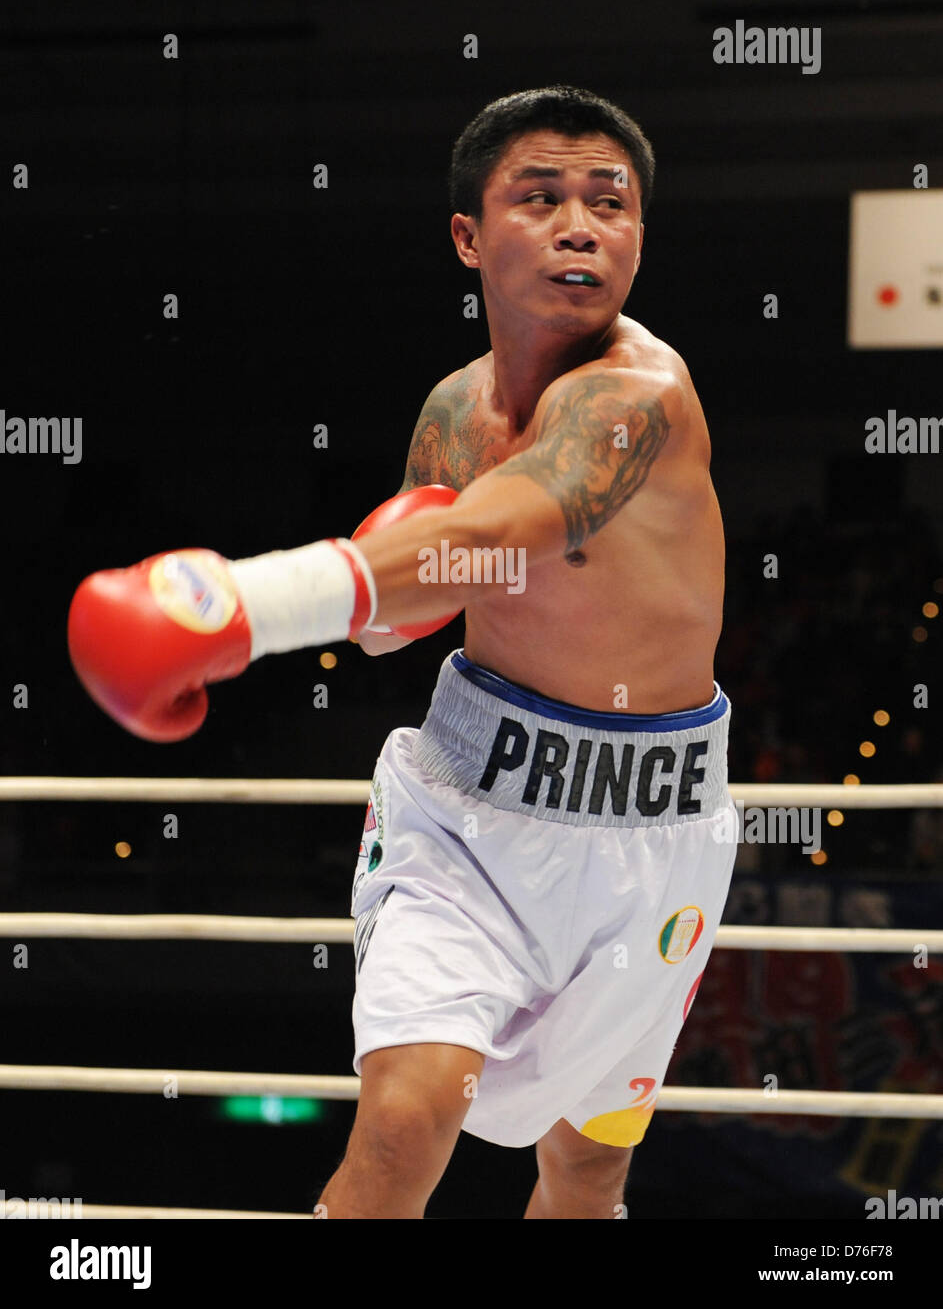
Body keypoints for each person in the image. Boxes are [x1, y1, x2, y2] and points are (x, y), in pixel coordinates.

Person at [68, 85, 739, 1220]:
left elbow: (503, 528)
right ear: (469, 237)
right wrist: (367, 603)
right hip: (467, 811)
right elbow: (419, 593)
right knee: (403, 1121)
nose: (582, 224)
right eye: (541, 197)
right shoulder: (453, 412)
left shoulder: (642, 396)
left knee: (589, 1165)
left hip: (652, 839)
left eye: (609, 202)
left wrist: (239, 604)